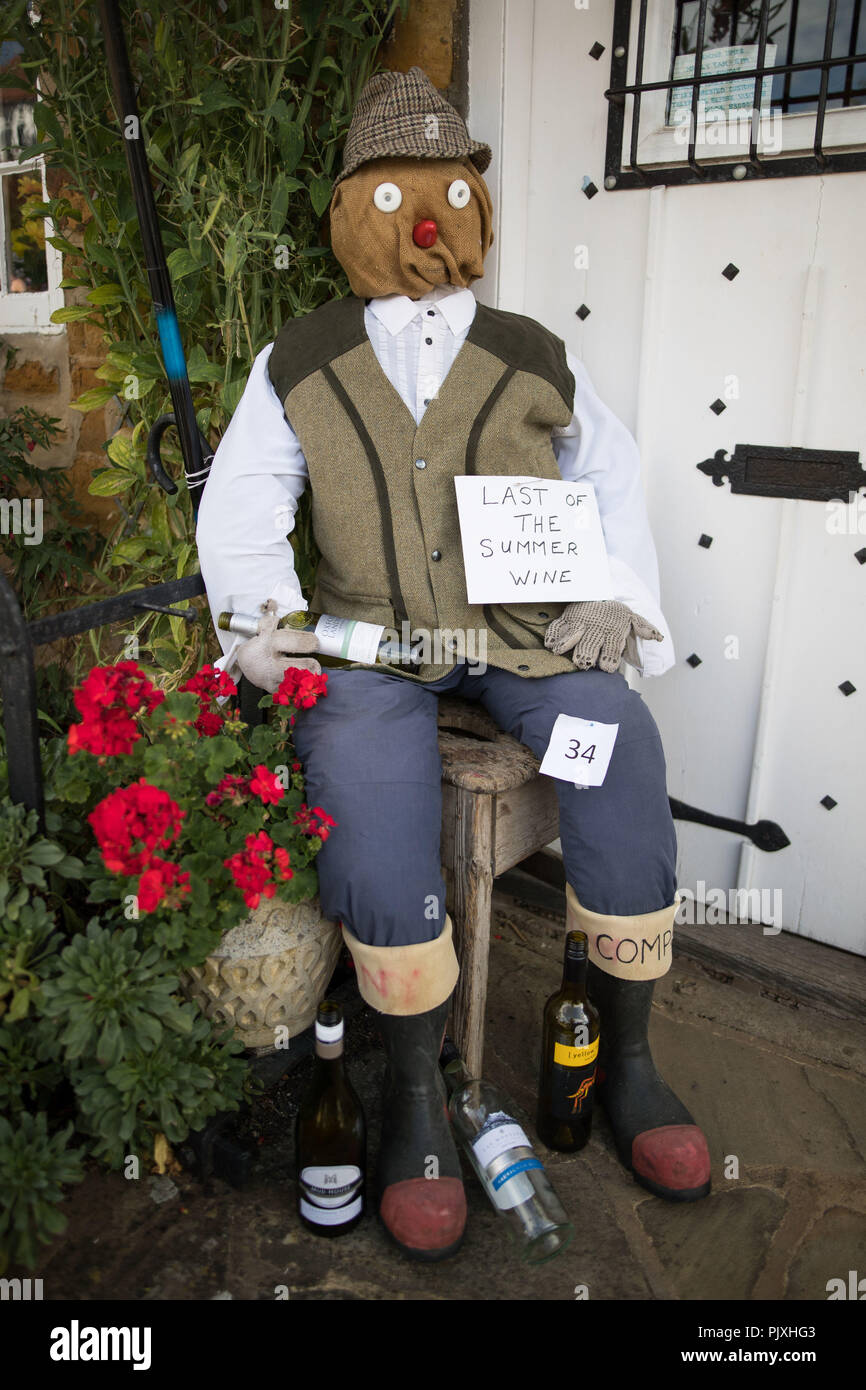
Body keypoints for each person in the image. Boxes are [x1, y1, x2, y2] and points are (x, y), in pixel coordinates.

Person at [197, 66, 711, 1262]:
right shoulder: (299, 357)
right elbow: (243, 505)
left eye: (442, 194)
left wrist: (610, 595)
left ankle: (626, 1059)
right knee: (371, 797)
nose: (422, 222)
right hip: (369, 649)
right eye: (390, 198)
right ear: (348, 212)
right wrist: (266, 619)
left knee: (615, 740)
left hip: (522, 639)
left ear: (474, 202)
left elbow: (607, 478)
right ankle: (418, 1096)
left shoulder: (533, 351)